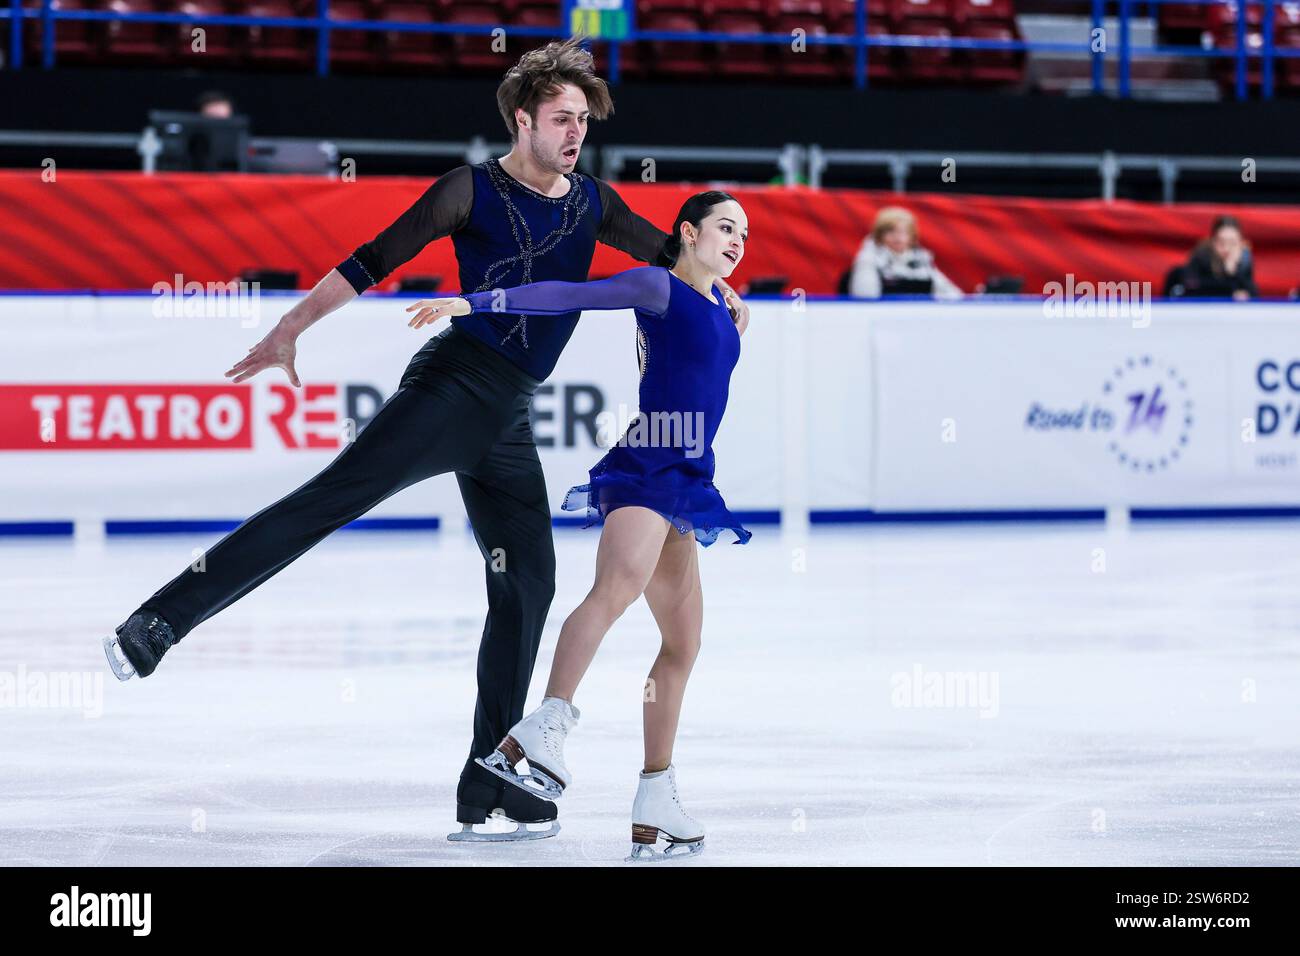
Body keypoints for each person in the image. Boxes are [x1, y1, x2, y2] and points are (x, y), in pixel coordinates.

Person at [101, 38, 751, 844]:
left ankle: (492, 781)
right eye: (561, 118)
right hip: (451, 391)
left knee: (528, 583)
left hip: (508, 417)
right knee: (326, 502)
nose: (576, 133)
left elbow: (675, 258)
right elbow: (372, 260)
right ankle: (158, 623)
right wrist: (291, 326)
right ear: (524, 120)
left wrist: (725, 291)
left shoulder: (593, 202)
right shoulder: (467, 190)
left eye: (584, 120)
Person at [404, 192, 751, 861]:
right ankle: (543, 727)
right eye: (725, 227)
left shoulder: (726, 308)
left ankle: (656, 797)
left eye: (744, 233)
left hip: (689, 477)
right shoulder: (658, 286)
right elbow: (569, 295)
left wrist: (734, 312)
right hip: (649, 463)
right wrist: (473, 304)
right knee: (614, 592)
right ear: (688, 232)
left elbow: (706, 368)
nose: (737, 241)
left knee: (682, 644)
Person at [847, 206, 962, 300]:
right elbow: (865, 296)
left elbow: (953, 295)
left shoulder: (921, 260)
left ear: (912, 236)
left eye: (903, 232)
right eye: (891, 231)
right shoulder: (868, 259)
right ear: (879, 235)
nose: (897, 237)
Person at [1181, 215, 1258, 301]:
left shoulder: (1244, 259)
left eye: (1232, 243)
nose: (1226, 248)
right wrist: (1229, 282)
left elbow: (1252, 292)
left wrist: (1235, 273)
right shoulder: (1202, 255)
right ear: (1213, 241)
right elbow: (1193, 287)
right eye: (1221, 242)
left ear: (1240, 242)